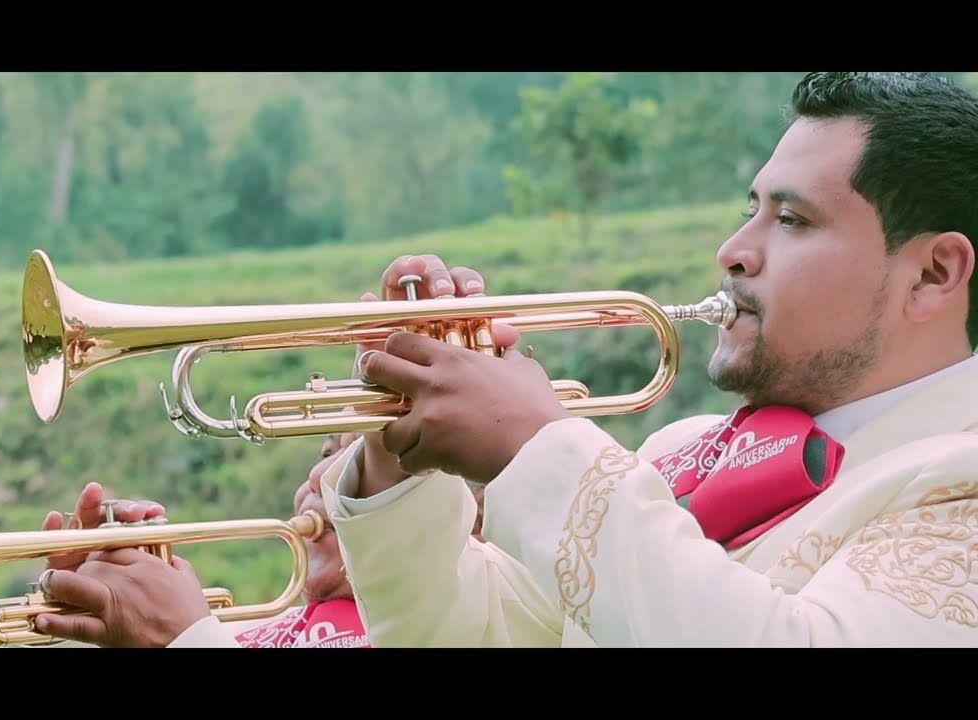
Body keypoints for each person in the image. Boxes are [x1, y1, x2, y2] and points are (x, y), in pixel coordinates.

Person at [313, 71, 978, 648]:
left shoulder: (962, 482)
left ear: (933, 274)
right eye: (751, 211)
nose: (733, 250)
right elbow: (472, 634)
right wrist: (399, 462)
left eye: (793, 219)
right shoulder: (682, 451)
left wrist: (535, 447)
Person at [29, 431, 490, 648]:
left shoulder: (456, 630)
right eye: (329, 452)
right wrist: (105, 605)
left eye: (358, 465)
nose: (323, 476)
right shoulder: (237, 630)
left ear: (477, 515)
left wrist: (185, 637)